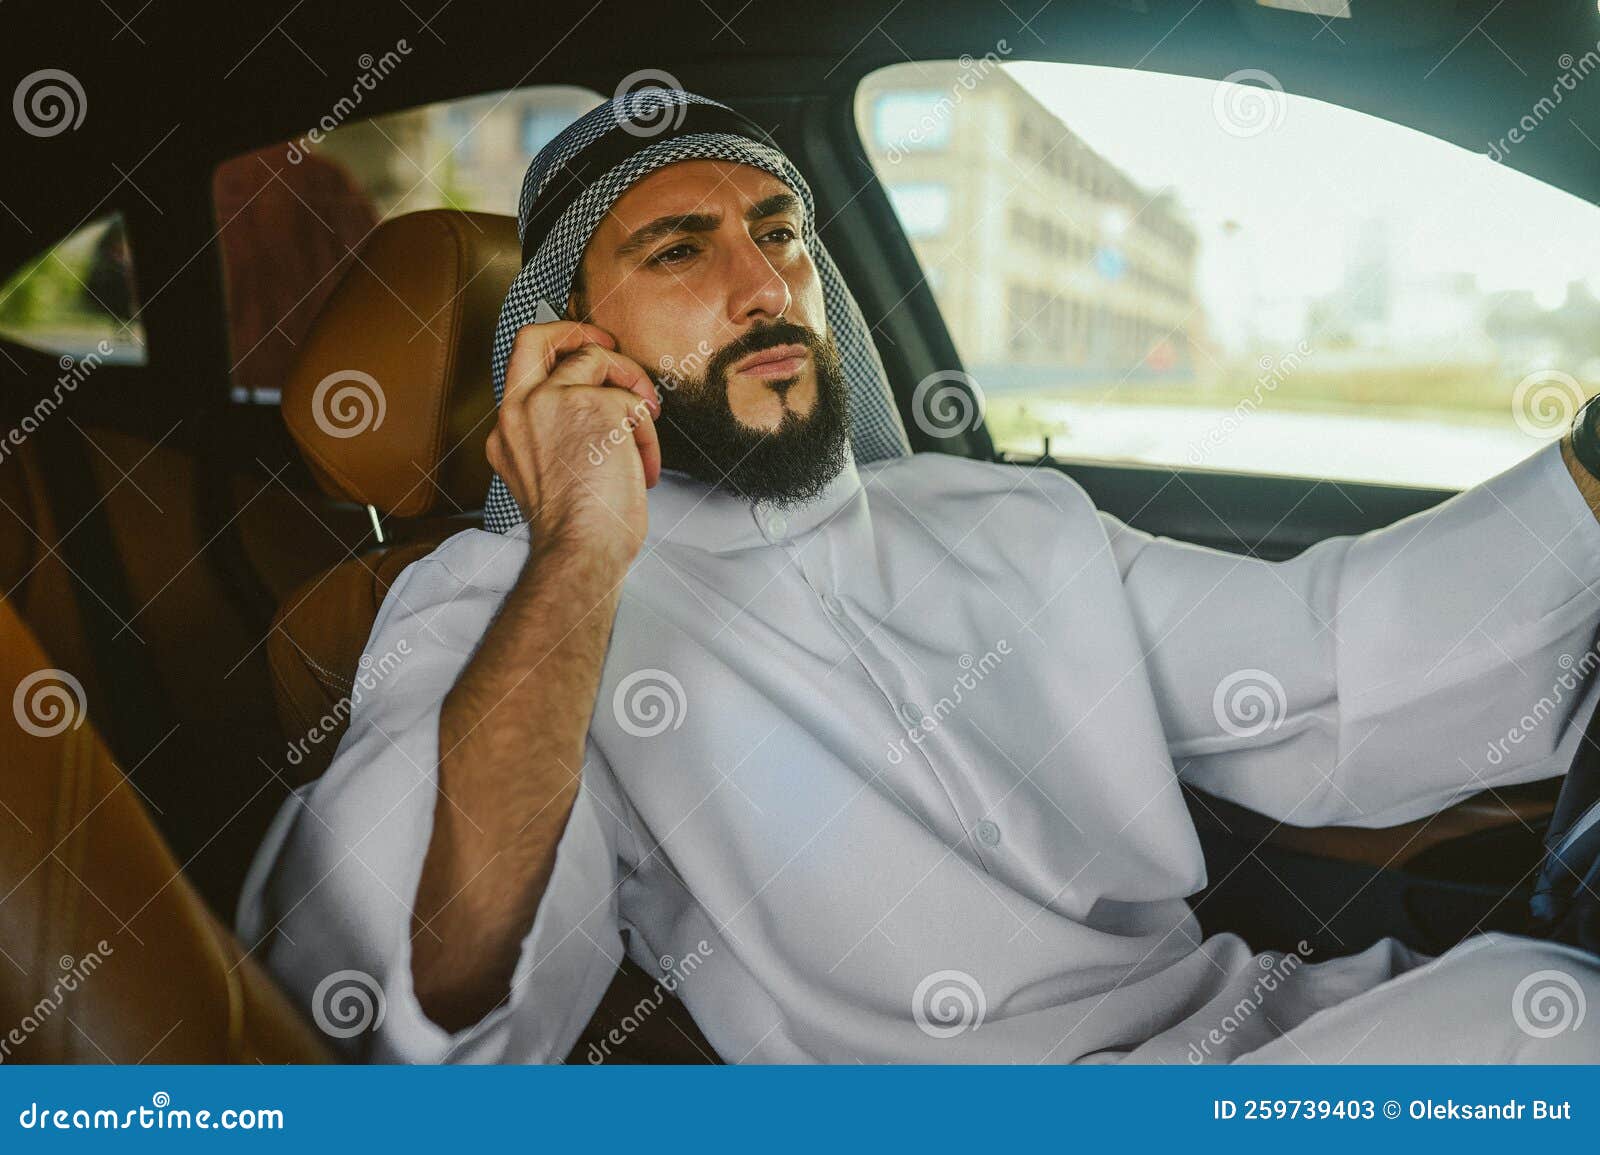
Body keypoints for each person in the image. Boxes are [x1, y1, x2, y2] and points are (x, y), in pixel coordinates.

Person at [238, 88, 1600, 1064]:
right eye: (679, 250)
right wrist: (582, 545)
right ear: (569, 339)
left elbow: (1331, 669)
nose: (765, 281)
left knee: (1545, 1011)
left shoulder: (1008, 519)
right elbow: (432, 983)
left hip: (1257, 1040)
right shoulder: (501, 608)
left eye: (780, 231)